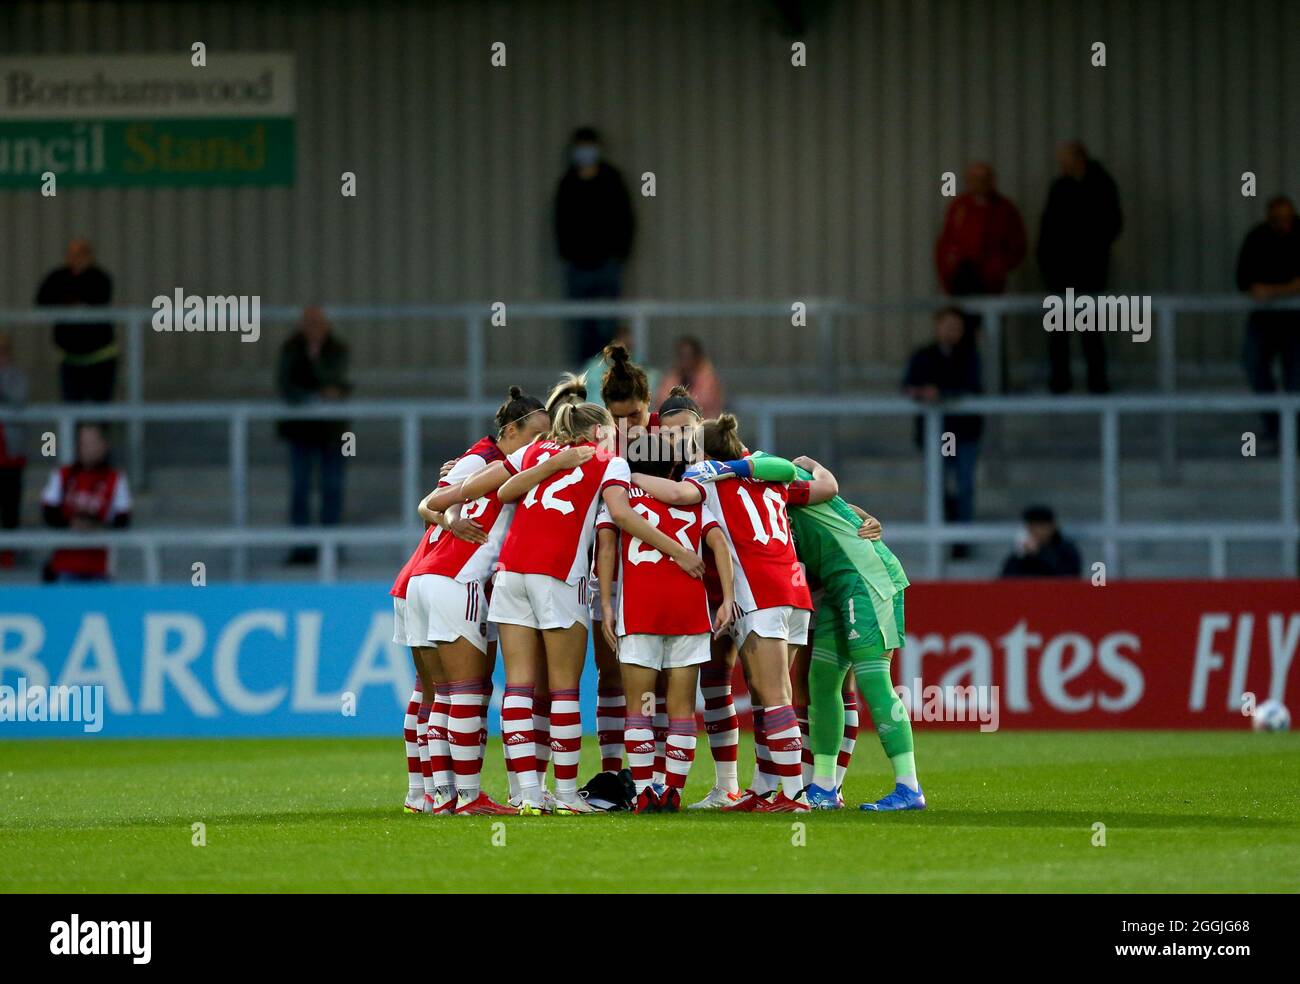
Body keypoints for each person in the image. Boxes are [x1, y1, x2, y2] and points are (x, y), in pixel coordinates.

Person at [475, 397, 704, 814]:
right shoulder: (608, 461)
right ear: (598, 431)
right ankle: (564, 796)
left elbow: (505, 491)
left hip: (511, 571)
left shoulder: (537, 450)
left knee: (519, 687)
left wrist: (550, 466)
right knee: (563, 688)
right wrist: (679, 552)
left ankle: (527, 794)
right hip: (559, 574)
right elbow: (621, 514)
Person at [687, 450, 923, 812]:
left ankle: (909, 787)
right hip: (835, 586)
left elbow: (830, 493)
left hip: (867, 578)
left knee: (875, 681)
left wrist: (811, 465)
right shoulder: (758, 496)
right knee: (822, 682)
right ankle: (824, 788)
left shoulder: (770, 478)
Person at [631, 414, 824, 813]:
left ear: (705, 453)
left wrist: (630, 478)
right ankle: (765, 787)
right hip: (795, 590)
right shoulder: (769, 478)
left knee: (774, 697)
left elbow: (680, 495)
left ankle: (794, 794)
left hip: (760, 593)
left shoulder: (707, 476)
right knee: (767, 694)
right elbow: (807, 477)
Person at [402, 387, 552, 816]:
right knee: (466, 694)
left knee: (444, 697)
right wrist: (453, 516)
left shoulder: (490, 464)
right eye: (536, 435)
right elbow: (434, 504)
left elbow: (439, 500)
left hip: (426, 579)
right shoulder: (505, 468)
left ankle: (439, 795)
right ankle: (467, 796)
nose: (541, 444)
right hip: (457, 578)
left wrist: (451, 510)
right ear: (511, 431)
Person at [596, 431, 736, 813]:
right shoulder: (693, 500)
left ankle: (643, 792)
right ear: (675, 466)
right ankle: (672, 789)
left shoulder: (620, 499)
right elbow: (720, 543)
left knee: (641, 707)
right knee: (679, 709)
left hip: (641, 611)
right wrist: (728, 598)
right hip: (688, 610)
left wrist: (607, 606)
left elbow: (606, 545)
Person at [1037, 141, 1123, 393]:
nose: (1061, 165)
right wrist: (1045, 262)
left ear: (1079, 159)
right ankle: (1060, 382)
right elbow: (1048, 228)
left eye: (1065, 159)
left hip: (1089, 271)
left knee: (1090, 329)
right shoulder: (1059, 187)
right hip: (1059, 273)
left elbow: (1112, 223)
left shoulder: (1102, 185)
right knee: (1059, 330)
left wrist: (1088, 248)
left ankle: (1097, 382)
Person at [903, 307, 983, 557]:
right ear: (937, 326)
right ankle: (945, 529)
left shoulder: (970, 356)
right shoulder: (923, 355)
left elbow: (972, 386)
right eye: (947, 325)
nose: (951, 331)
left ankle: (962, 542)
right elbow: (907, 386)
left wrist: (941, 392)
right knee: (938, 486)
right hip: (935, 435)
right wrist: (922, 392)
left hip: (964, 434)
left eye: (956, 327)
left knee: (965, 485)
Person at [276, 306, 352, 564]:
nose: (313, 329)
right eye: (309, 323)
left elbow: (340, 381)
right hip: (302, 430)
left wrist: (318, 381)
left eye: (318, 323)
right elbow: (286, 386)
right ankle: (302, 548)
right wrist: (317, 395)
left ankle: (331, 548)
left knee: (332, 488)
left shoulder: (337, 350)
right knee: (300, 489)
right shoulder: (291, 349)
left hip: (331, 432)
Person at [555, 126, 635, 363]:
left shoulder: (612, 180)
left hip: (607, 264)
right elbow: (560, 221)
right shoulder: (568, 183)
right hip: (578, 265)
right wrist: (568, 254)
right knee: (581, 324)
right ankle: (584, 377)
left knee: (606, 323)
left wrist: (620, 253)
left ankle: (608, 373)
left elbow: (625, 218)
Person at [935, 162, 1026, 338]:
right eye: (973, 179)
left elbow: (1017, 246)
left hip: (991, 284)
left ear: (992, 181)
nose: (978, 183)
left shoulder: (1005, 209)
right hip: (960, 283)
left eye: (983, 179)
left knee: (994, 332)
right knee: (959, 333)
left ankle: (995, 365)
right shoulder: (959, 207)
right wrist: (948, 275)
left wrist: (998, 268)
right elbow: (944, 245)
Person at [1236, 195, 1300, 447]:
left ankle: (1293, 432)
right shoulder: (1258, 238)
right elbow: (1245, 281)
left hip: (1296, 322)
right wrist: (1289, 288)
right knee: (1253, 365)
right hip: (1265, 320)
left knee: (1296, 378)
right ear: (1269, 219)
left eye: (1287, 220)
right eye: (1277, 221)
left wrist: (1271, 291)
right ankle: (1276, 426)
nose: (1283, 226)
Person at [40, 422, 131, 582]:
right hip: (64, 566)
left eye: (93, 443)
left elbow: (123, 519)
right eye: (84, 443)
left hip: (99, 567)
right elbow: (48, 513)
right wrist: (71, 523)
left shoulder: (116, 479)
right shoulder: (62, 475)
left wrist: (96, 525)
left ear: (104, 446)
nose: (89, 449)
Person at [35, 238, 116, 402]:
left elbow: (97, 300)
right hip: (70, 358)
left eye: (79, 254)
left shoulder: (99, 278)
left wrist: (69, 302)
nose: (74, 258)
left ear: (89, 256)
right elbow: (42, 300)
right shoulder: (58, 277)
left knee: (100, 410)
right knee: (72, 408)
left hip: (100, 358)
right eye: (71, 254)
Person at [0, 331, 29, 565]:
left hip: (10, 454)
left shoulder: (16, 376)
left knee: (10, 504)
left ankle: (10, 552)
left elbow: (18, 400)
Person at [654, 335, 725, 419]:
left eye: (688, 355)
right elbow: (661, 402)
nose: (685, 360)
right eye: (681, 356)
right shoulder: (671, 378)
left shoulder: (709, 380)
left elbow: (703, 403)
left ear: (697, 357)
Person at [1000, 505, 1082, 578]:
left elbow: (1068, 575)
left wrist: (1039, 554)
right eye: (1031, 526)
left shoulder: (1066, 549)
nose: (1035, 531)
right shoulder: (1022, 552)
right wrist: (1021, 556)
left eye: (1039, 526)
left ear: (1052, 526)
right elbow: (1006, 578)